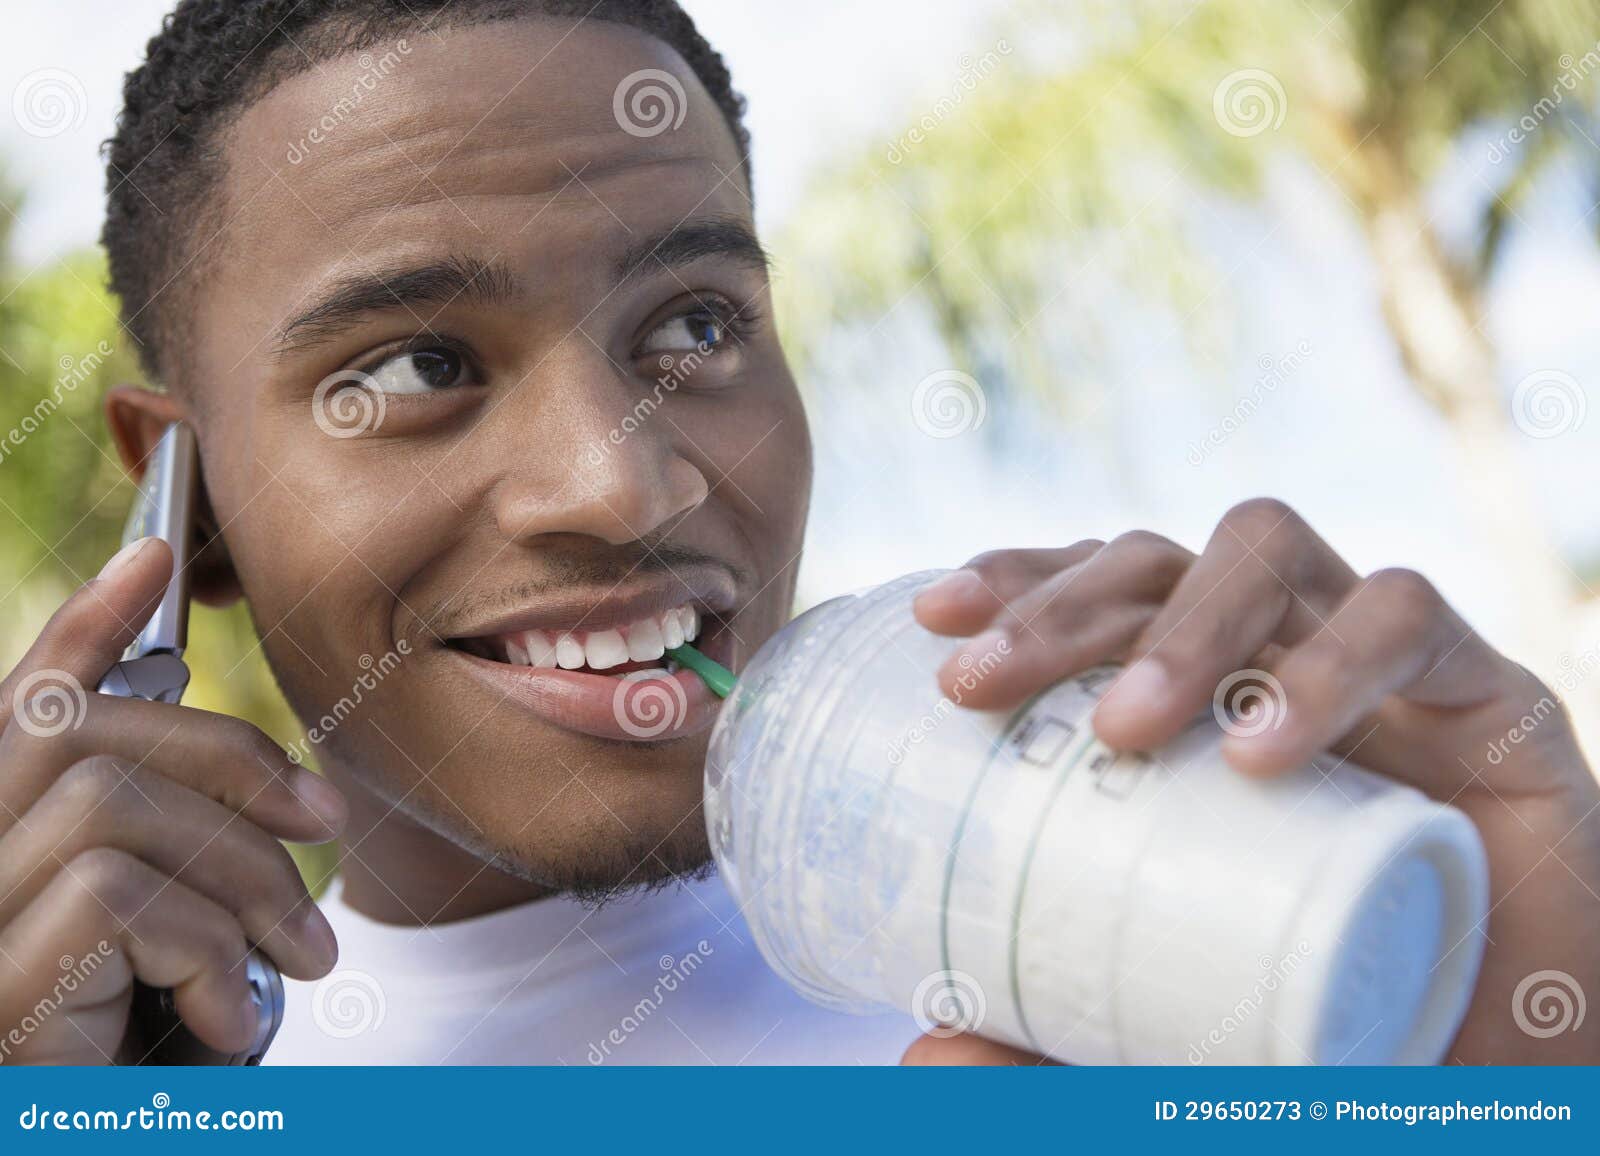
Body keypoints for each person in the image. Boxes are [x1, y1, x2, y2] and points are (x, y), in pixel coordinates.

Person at [0, 0, 1594, 1066]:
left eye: (693, 325)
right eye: (421, 367)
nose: (624, 491)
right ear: (186, 502)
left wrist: (1542, 1013)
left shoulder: (1226, 961)